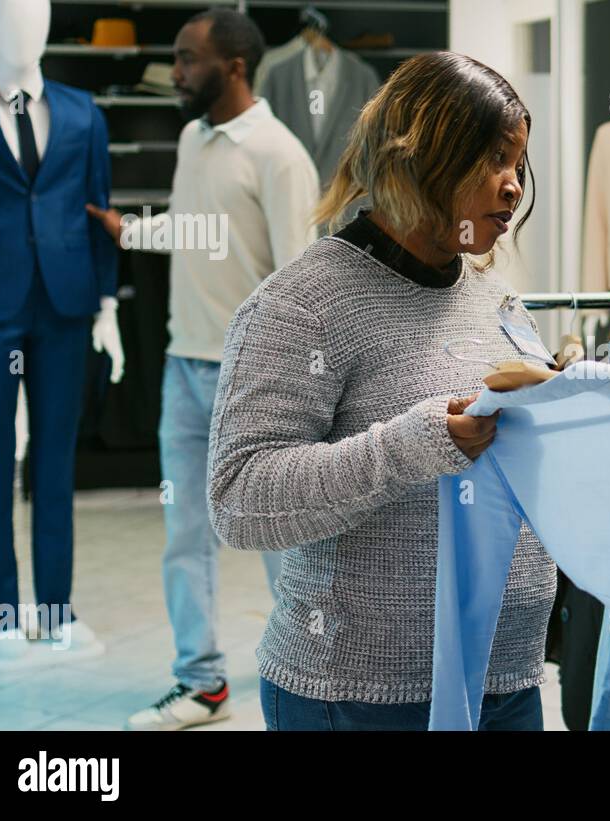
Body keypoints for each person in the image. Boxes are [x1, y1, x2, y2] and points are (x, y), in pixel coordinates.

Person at [206, 51, 556, 731]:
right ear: (423, 156)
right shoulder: (302, 307)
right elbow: (239, 498)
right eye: (494, 160)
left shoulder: (499, 303)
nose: (513, 186)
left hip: (507, 682)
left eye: (518, 165)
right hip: (361, 696)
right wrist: (414, 443)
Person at [86, 8, 320, 729]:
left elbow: (299, 280)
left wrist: (289, 383)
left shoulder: (280, 155)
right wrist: (135, 230)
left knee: (281, 539)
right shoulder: (194, 138)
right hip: (181, 373)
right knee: (184, 531)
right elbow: (200, 230)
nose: (178, 73)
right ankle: (201, 681)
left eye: (189, 60)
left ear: (236, 67)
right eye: (178, 59)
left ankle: (309, 675)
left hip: (249, 380)